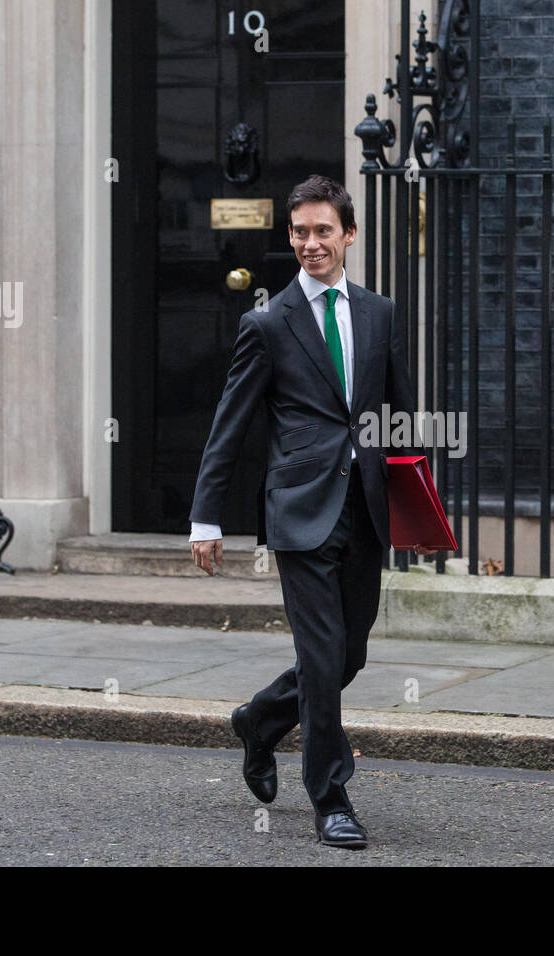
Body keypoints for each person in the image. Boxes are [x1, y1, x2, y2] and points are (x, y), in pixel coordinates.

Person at [188, 174, 434, 849]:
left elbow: (400, 417)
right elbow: (229, 425)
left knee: (348, 655)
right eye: (299, 232)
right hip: (299, 511)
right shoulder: (267, 324)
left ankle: (261, 720)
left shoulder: (380, 313)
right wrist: (206, 517)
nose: (309, 243)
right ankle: (331, 794)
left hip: (367, 509)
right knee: (322, 659)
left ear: (348, 234)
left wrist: (423, 509)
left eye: (322, 230)